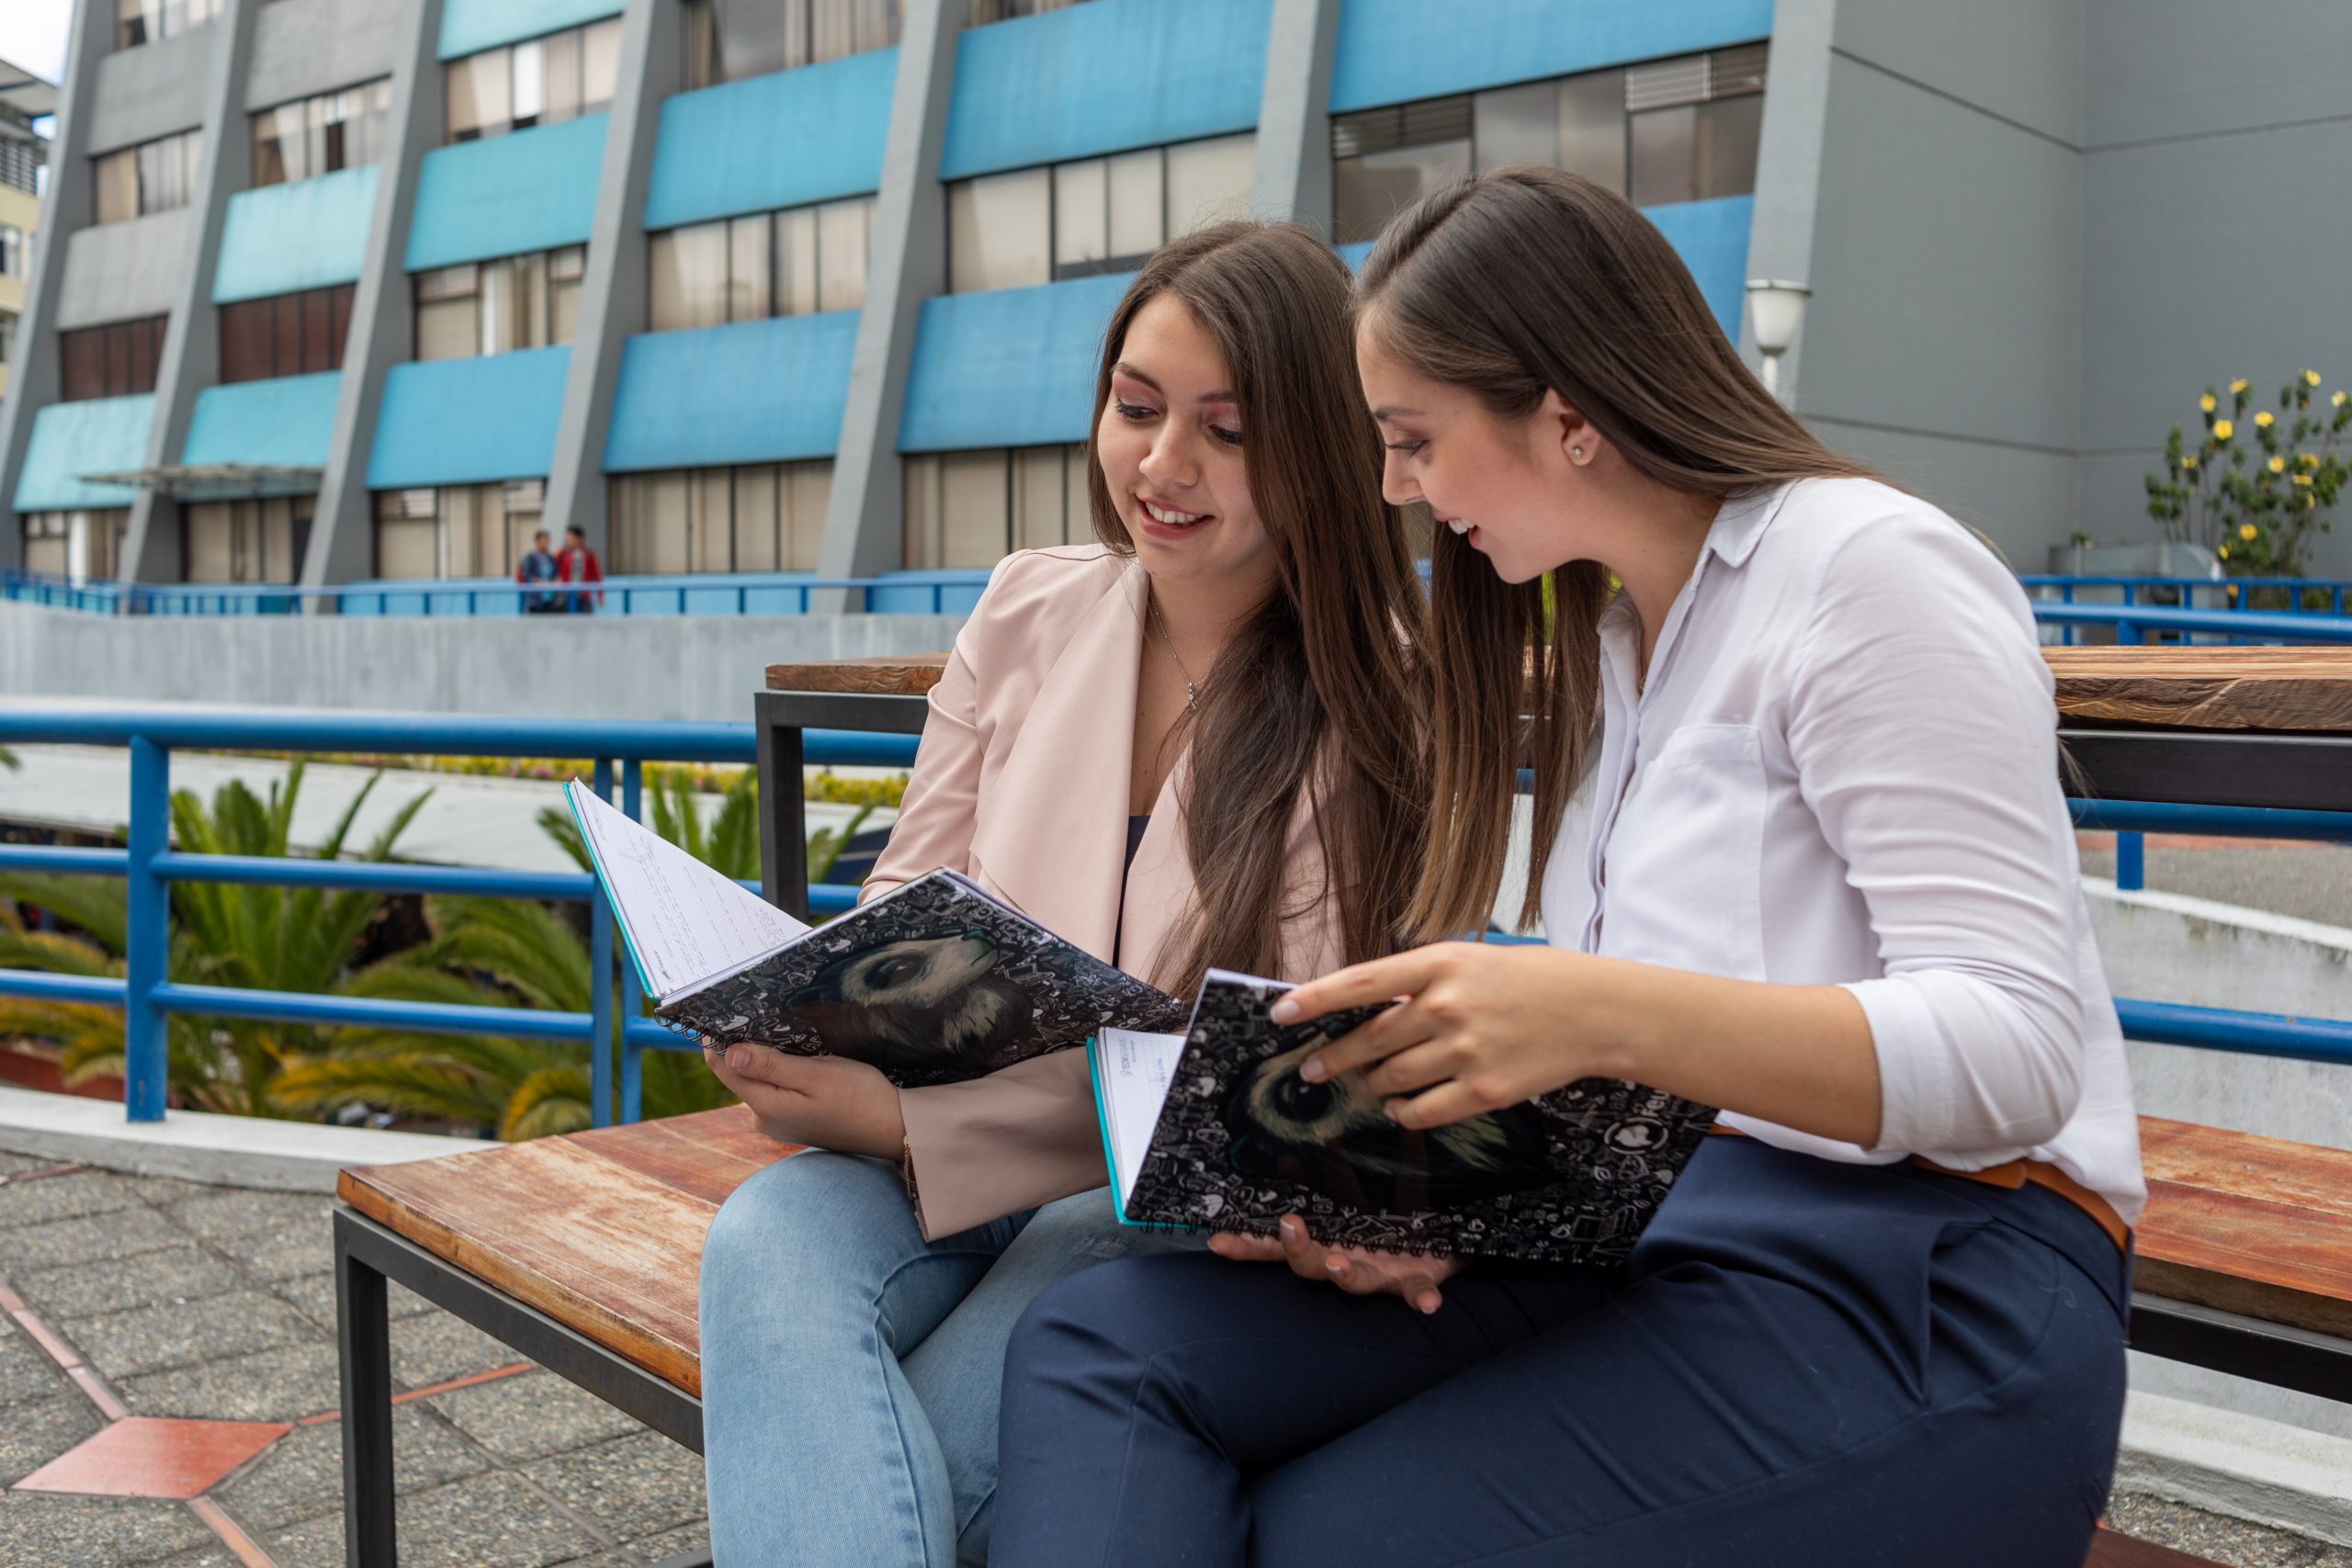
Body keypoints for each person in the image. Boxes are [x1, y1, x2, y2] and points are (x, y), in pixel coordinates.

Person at [990, 166, 2144, 1568]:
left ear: (1568, 417)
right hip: (1658, 1222)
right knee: (1101, 1344)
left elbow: (2022, 1049)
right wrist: (1406, 1204)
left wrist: (1590, 1009)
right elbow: (1636, 1082)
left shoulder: (1869, 572)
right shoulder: (1613, 644)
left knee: (1320, 1534)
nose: (1391, 486)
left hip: (1940, 1272)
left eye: (1412, 438)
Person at [694, 220, 1431, 1568]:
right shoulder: (1029, 607)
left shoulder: (1375, 693)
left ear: (1320, 448)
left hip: (1146, 1201)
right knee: (761, 1239)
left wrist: (913, 1125)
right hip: (917, 1136)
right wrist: (808, 1013)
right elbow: (916, 892)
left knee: (952, 1412)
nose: (1163, 464)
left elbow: (1248, 1067)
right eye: (1136, 408)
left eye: (1226, 427)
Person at [557, 525, 603, 612]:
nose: (567, 541)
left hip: (584, 595)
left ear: (578, 539)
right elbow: (554, 570)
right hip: (567, 595)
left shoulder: (589, 554)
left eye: (570, 539)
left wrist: (600, 596)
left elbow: (596, 576)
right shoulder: (562, 554)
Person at [515, 529, 561, 613]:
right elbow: (527, 575)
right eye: (543, 542)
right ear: (537, 542)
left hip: (549, 598)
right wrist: (536, 581)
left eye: (547, 542)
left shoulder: (550, 557)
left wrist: (556, 580)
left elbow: (555, 573)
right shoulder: (530, 557)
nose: (545, 544)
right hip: (535, 600)